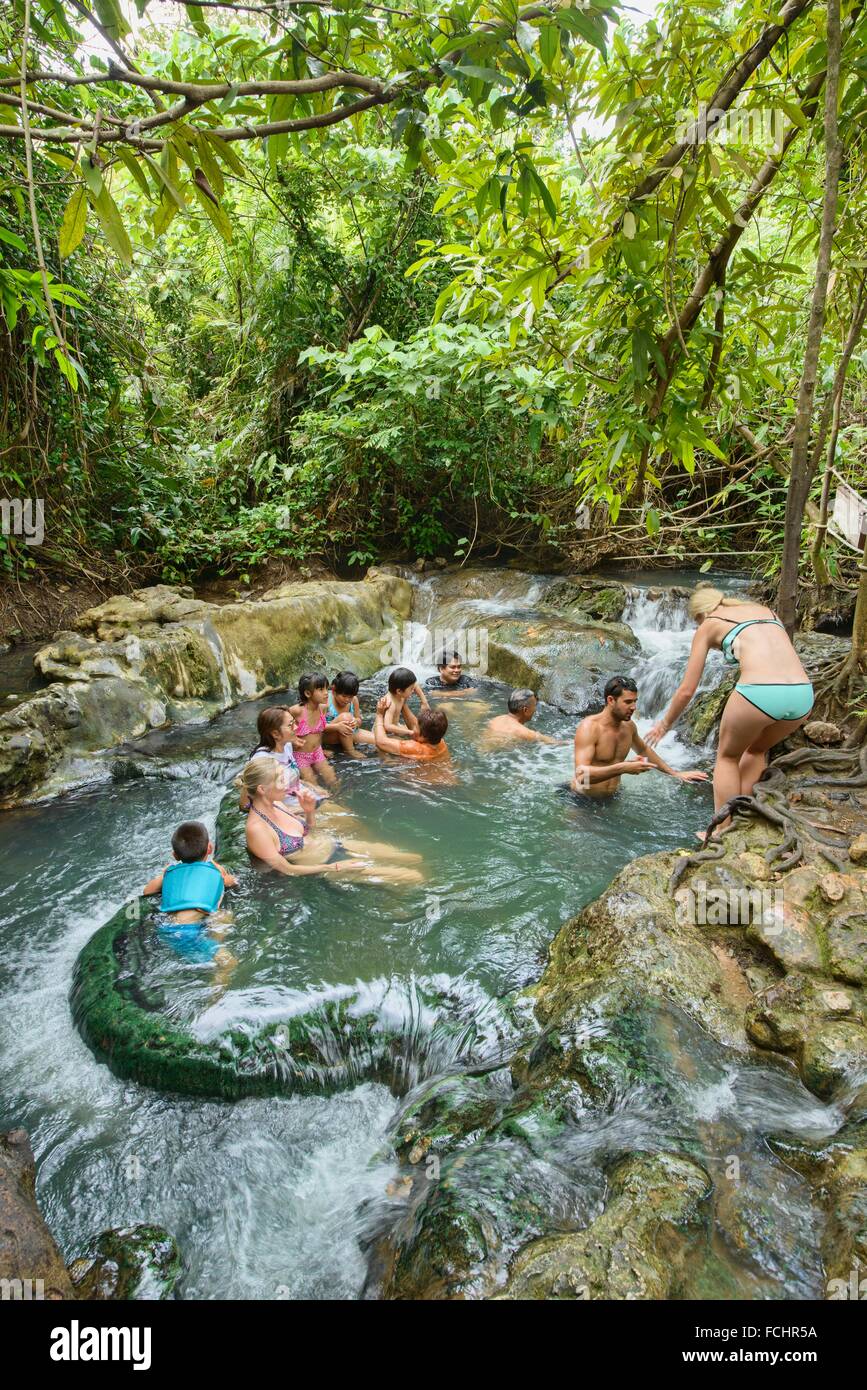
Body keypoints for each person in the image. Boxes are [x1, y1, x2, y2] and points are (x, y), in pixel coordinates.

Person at [645, 584, 814, 826]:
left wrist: (664, 725)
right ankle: (744, 820)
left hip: (760, 693)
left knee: (726, 758)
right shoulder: (767, 612)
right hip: (802, 695)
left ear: (700, 615)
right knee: (755, 750)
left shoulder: (709, 625)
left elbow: (686, 690)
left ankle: (721, 831)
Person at [239, 757, 423, 882]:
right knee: (414, 877)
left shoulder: (278, 804)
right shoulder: (257, 829)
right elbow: (288, 869)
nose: (286, 784)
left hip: (337, 844)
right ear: (262, 789)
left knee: (415, 858)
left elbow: (308, 831)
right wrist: (334, 868)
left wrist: (309, 812)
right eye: (280, 780)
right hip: (327, 865)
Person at [572, 676, 709, 798]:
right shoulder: (589, 728)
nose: (633, 707)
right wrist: (623, 768)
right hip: (583, 800)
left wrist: (674, 773)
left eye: (635, 701)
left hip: (613, 798)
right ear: (610, 700)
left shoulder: (629, 727)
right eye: (628, 702)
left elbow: (643, 750)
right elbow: (582, 776)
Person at [142, 820, 238, 970]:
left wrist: (164, 874)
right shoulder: (215, 872)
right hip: (187, 933)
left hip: (165, 926)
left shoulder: (170, 872)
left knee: (222, 916)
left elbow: (147, 891)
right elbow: (231, 881)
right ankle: (216, 991)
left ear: (174, 855)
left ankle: (212, 946)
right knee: (228, 962)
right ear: (210, 848)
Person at [240, 705, 322, 815]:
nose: (296, 727)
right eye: (290, 725)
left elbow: (291, 780)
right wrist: (291, 812)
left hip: (305, 799)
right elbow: (245, 804)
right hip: (291, 811)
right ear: (275, 734)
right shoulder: (262, 760)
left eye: (294, 722)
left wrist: (314, 789)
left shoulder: (286, 745)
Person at [289, 673, 338, 789]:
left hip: (317, 752)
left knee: (333, 781)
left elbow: (317, 733)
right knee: (314, 788)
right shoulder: (296, 711)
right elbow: (282, 725)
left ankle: (339, 803)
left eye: (327, 688)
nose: (326, 693)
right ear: (307, 693)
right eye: (321, 689)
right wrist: (293, 739)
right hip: (300, 756)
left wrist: (322, 748)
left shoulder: (323, 708)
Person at [374, 696, 449, 760]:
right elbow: (417, 724)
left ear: (423, 736)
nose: (413, 728)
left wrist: (379, 714)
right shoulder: (440, 741)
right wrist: (403, 704)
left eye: (416, 727)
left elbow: (381, 742)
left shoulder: (415, 748)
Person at [322, 671, 375, 758]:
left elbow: (359, 719)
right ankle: (350, 750)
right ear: (334, 691)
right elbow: (316, 727)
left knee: (378, 741)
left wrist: (356, 722)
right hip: (329, 736)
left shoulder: (354, 700)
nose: (347, 700)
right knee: (346, 717)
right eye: (344, 696)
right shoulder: (326, 702)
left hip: (349, 733)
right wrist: (337, 726)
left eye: (350, 697)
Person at [484, 689, 561, 744]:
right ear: (525, 710)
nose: (535, 710)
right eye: (534, 706)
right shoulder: (525, 733)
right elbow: (555, 743)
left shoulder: (496, 720)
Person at [382, 666, 430, 738]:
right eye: (411, 689)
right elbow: (387, 726)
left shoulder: (399, 695)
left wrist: (424, 701)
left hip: (395, 726)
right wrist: (409, 732)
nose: (413, 690)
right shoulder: (391, 703)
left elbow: (415, 685)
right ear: (399, 691)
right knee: (406, 744)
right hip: (386, 734)